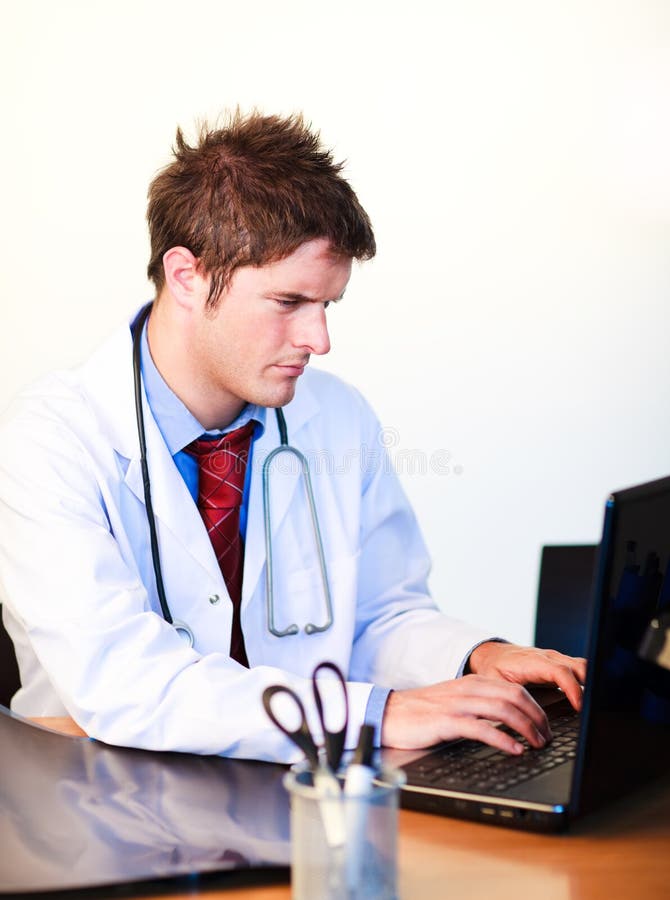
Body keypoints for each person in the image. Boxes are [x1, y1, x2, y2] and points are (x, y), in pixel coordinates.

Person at [0, 111, 585, 762]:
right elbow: (120, 682)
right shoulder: (50, 441)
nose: (319, 341)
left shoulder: (335, 416)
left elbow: (375, 616)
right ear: (187, 276)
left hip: (296, 787)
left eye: (326, 305)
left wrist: (475, 657)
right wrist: (374, 713)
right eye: (288, 303)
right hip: (100, 803)